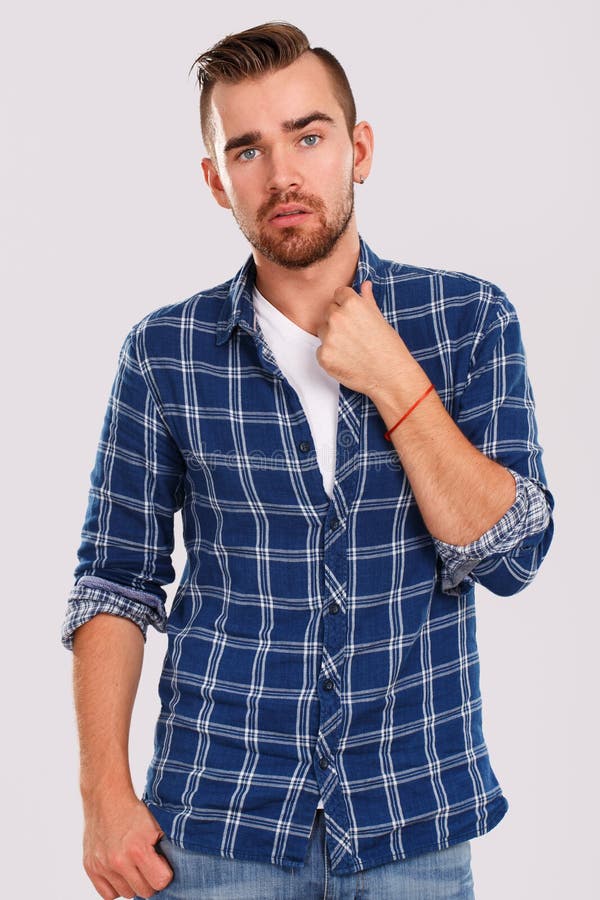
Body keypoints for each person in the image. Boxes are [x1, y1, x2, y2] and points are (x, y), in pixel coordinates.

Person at [62, 21, 554, 900]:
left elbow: (510, 556)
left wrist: (398, 383)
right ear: (216, 180)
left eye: (308, 137)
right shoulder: (164, 353)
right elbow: (114, 582)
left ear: (358, 150)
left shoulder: (468, 321)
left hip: (412, 824)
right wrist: (103, 796)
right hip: (218, 828)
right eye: (247, 150)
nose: (282, 174)